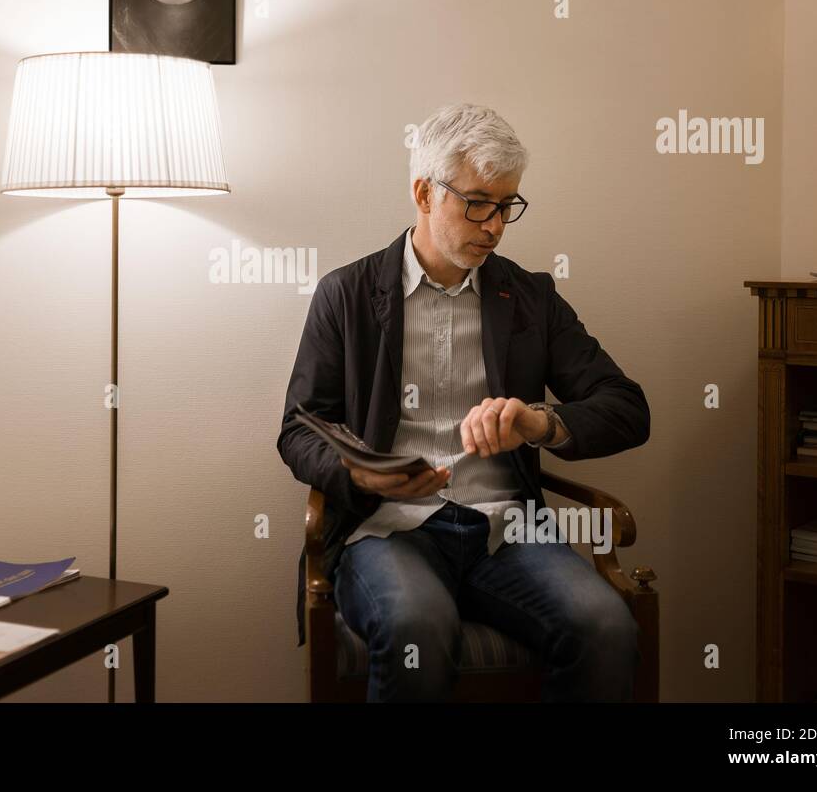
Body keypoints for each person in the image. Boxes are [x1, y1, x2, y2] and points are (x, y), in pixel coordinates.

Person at [277, 103, 650, 701]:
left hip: (507, 529)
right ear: (424, 193)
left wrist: (540, 422)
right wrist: (361, 476)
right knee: (416, 629)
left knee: (605, 626)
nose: (495, 226)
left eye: (507, 206)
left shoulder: (529, 297)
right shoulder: (346, 294)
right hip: (388, 531)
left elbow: (628, 408)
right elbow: (299, 429)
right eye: (478, 203)